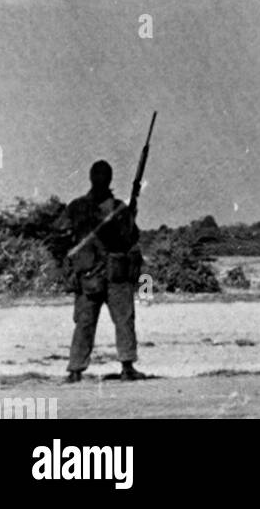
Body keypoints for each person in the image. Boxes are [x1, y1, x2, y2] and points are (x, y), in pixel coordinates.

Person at [61, 159, 145, 382]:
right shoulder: (117, 208)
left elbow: (60, 236)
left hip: (91, 273)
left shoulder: (76, 207)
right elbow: (130, 238)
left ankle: (76, 370)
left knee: (86, 323)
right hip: (112, 273)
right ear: (110, 180)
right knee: (122, 320)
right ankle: (126, 367)